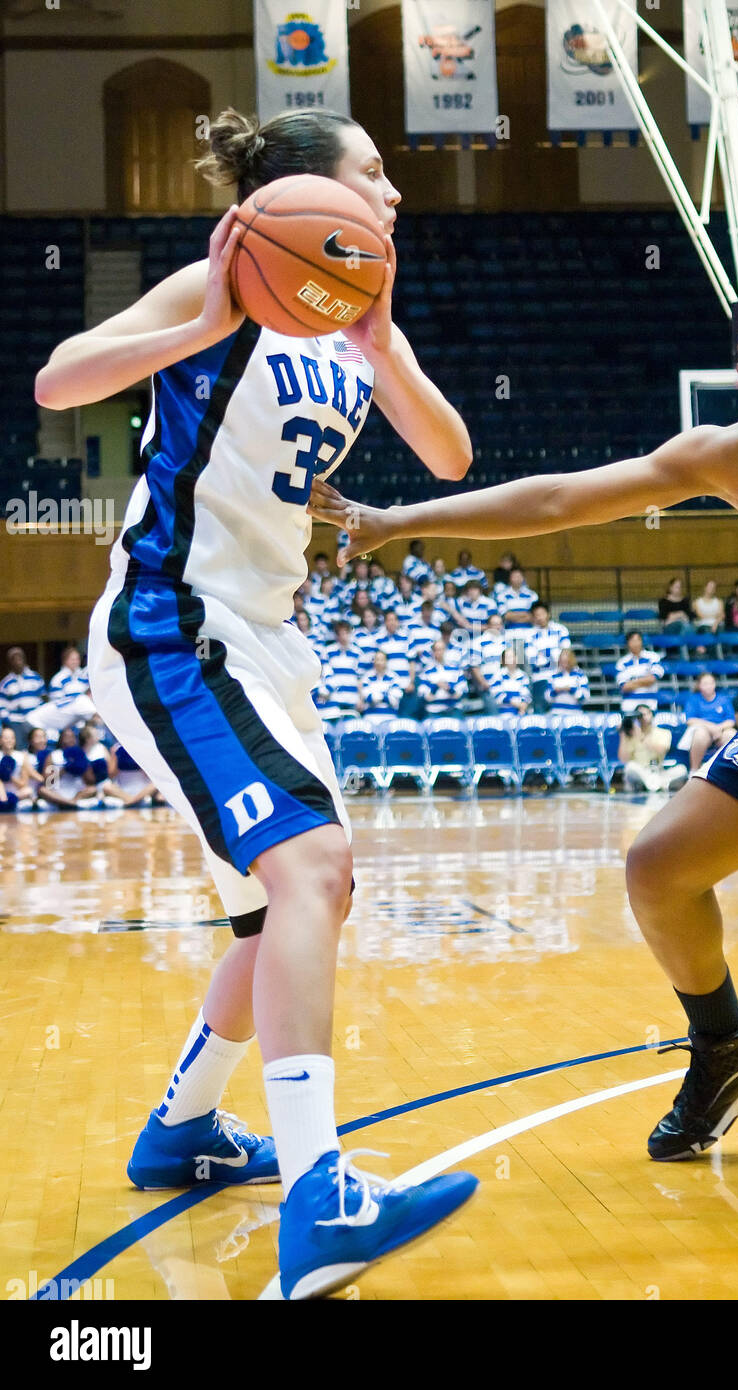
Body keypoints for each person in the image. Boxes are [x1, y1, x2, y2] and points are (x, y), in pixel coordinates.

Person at [311, 267, 738, 1170]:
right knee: (658, 867)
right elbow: (563, 499)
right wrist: (396, 518)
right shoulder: (732, 453)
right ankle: (727, 1044)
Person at [36, 105, 478, 1299]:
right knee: (313, 870)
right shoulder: (225, 276)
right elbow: (56, 380)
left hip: (266, 640)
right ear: (303, 197)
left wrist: (387, 348)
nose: (393, 196)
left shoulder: (343, 325)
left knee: (284, 908)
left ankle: (183, 1131)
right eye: (372, 176)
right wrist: (204, 319)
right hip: (172, 623)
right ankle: (319, 1191)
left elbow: (448, 459)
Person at [25, 645, 96, 735]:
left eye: (77, 659)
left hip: (82, 718)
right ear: (65, 660)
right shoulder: (58, 679)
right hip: (65, 718)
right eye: (72, 659)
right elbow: (57, 701)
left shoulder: (82, 676)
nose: (75, 662)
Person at [618, 706, 685, 793]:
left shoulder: (663, 732)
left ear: (652, 715)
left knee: (681, 769)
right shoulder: (631, 734)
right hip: (640, 771)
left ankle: (653, 784)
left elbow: (662, 750)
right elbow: (623, 759)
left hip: (658, 770)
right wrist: (622, 735)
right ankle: (658, 785)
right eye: (640, 715)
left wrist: (641, 736)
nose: (643, 717)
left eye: (646, 714)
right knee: (630, 767)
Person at [682, 672, 736, 771]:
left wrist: (718, 728)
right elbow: (690, 720)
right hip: (702, 728)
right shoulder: (693, 699)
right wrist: (711, 727)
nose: (709, 686)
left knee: (731, 734)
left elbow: (731, 720)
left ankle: (728, 771)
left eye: (711, 683)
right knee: (700, 734)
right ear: (699, 685)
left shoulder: (723, 699)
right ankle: (694, 770)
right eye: (705, 683)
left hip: (721, 730)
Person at [525, 602, 571, 714]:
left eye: (542, 614)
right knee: (540, 714)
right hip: (540, 678)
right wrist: (554, 656)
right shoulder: (528, 635)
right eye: (536, 615)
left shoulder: (561, 630)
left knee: (560, 712)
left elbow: (566, 653)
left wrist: (544, 656)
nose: (540, 617)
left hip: (559, 677)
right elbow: (533, 660)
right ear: (533, 617)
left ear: (548, 614)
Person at [615, 631, 665, 713]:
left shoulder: (653, 657)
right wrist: (645, 680)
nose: (636, 643)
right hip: (629, 702)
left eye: (638, 640)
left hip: (649, 701)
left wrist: (632, 682)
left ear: (641, 641)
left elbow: (652, 679)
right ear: (628, 643)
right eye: (632, 641)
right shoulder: (622, 662)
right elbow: (624, 687)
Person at [0, 647, 46, 737]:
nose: (17, 661)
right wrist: (8, 719)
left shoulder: (35, 677)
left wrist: (40, 715)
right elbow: (1, 706)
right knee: (21, 749)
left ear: (24, 659)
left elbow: (44, 698)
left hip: (35, 719)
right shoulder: (5, 683)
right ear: (10, 662)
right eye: (14, 659)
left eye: (20, 658)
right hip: (16, 722)